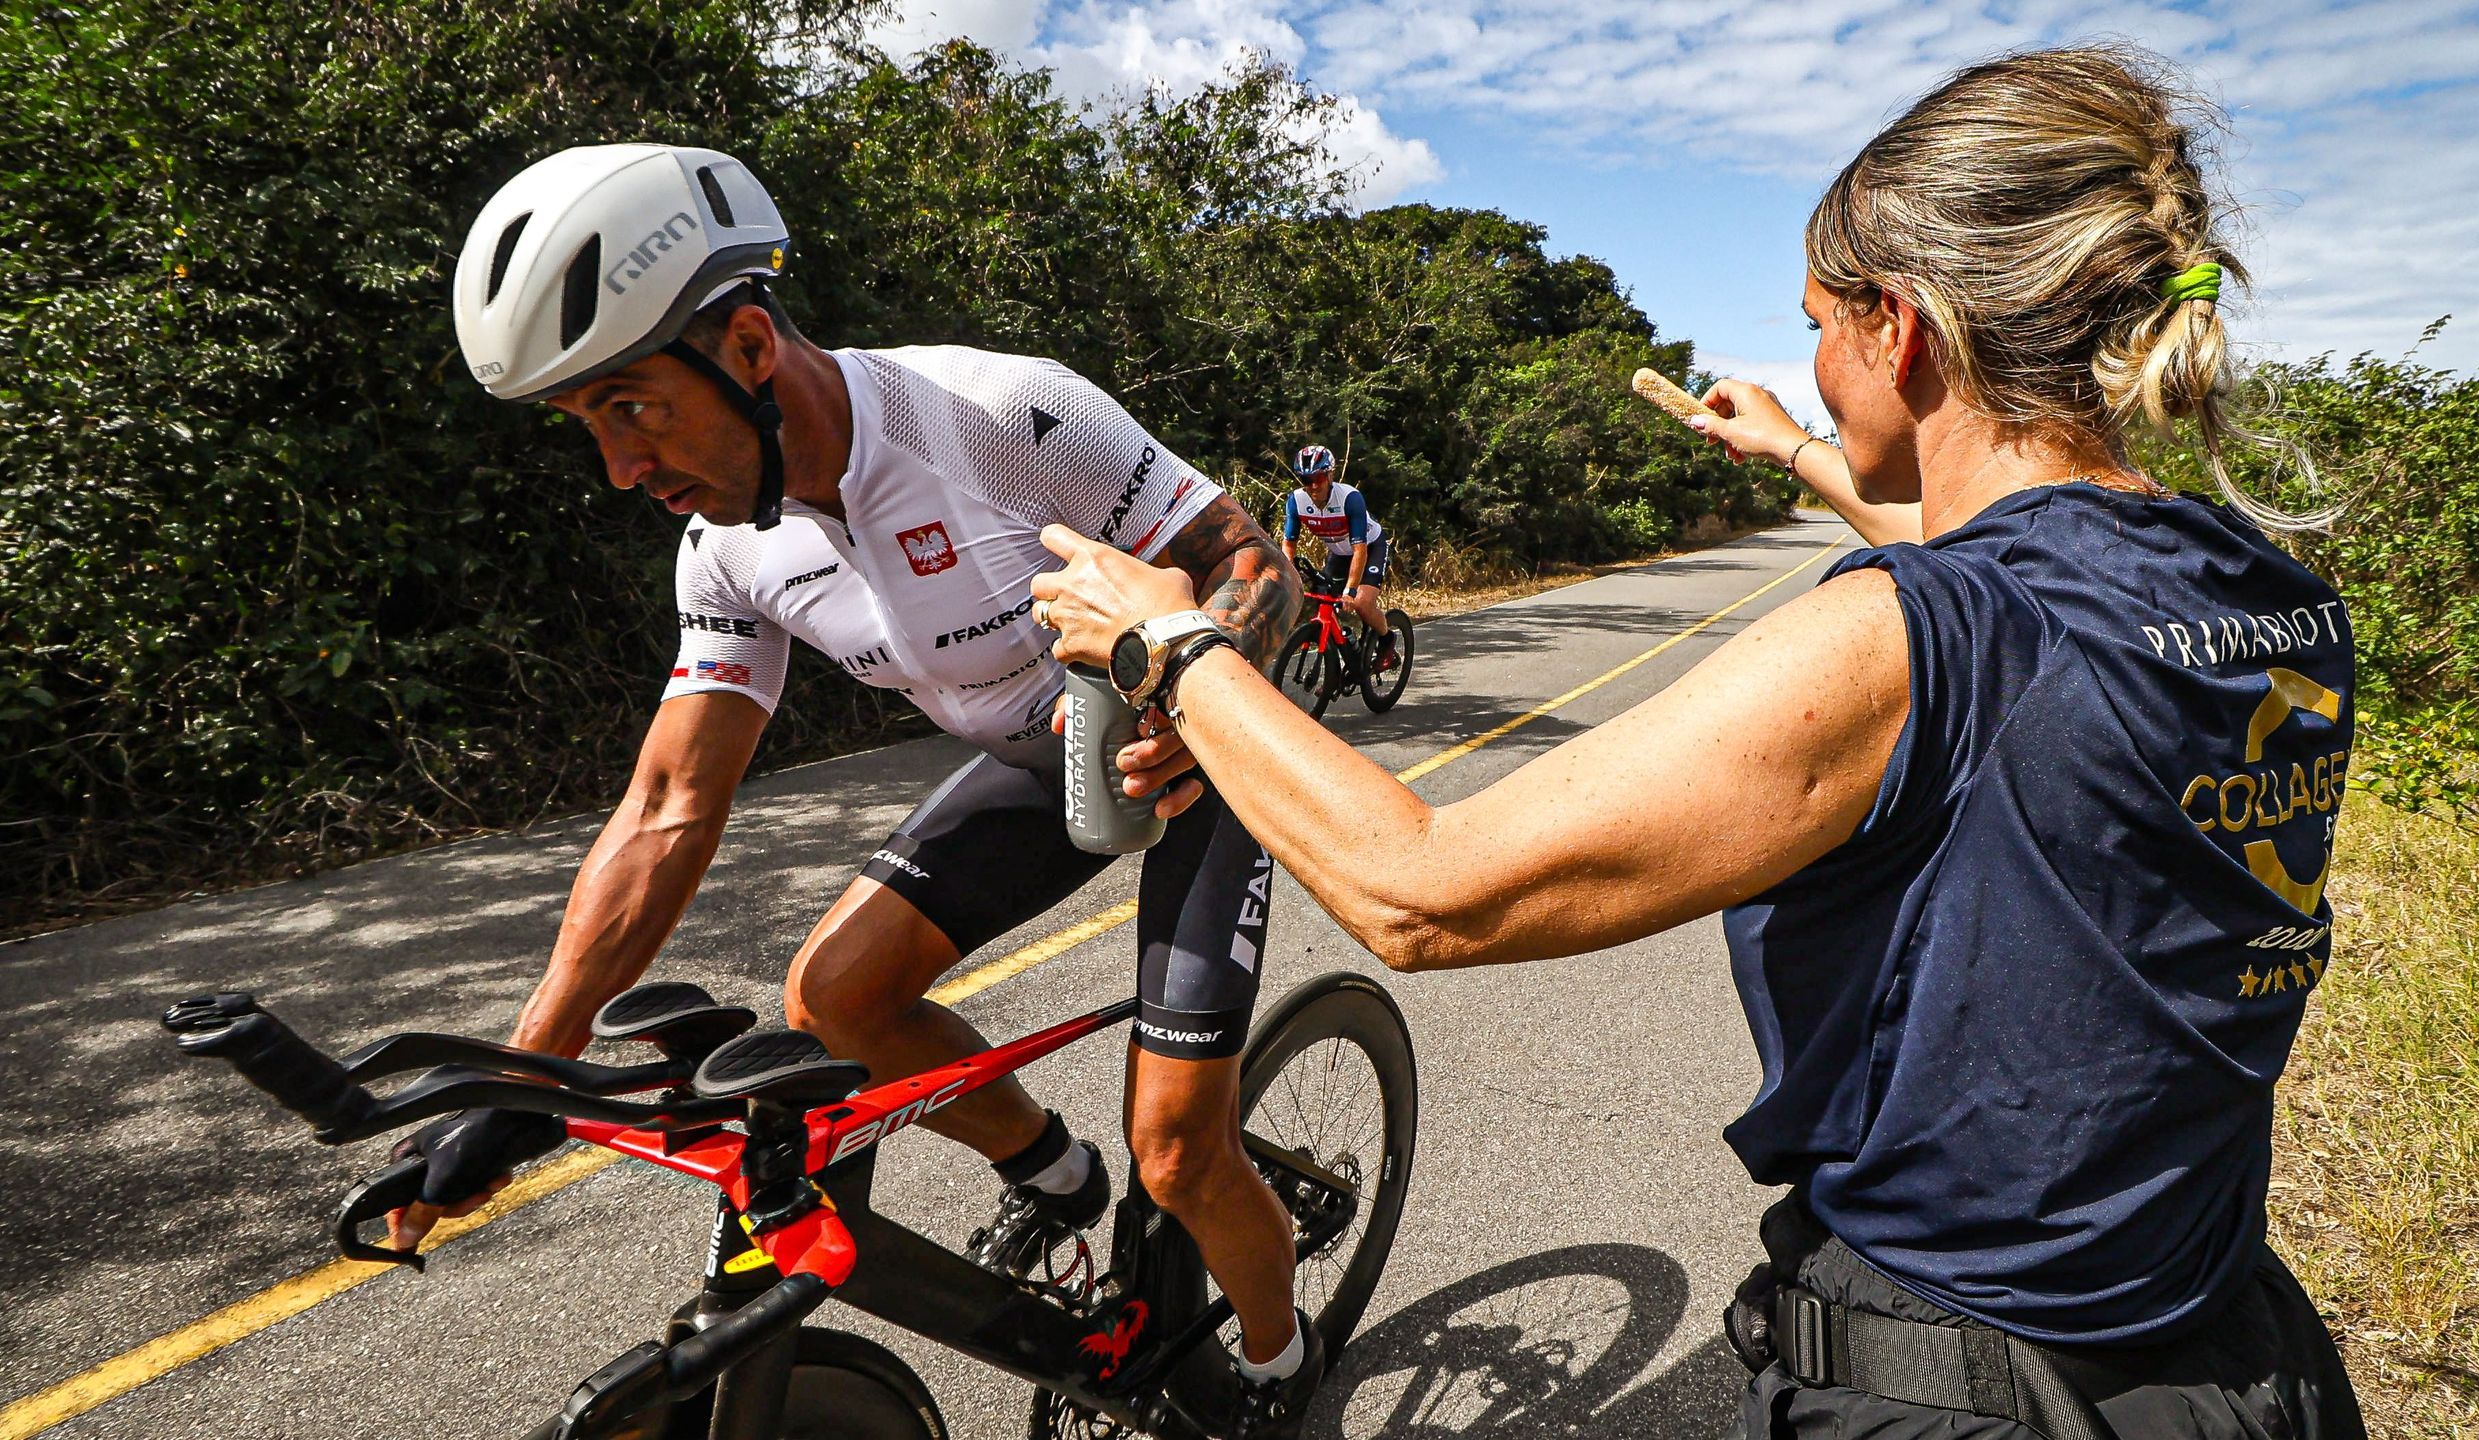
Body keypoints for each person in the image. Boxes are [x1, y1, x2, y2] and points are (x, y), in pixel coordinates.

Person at [1034, 46, 2363, 1439]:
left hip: (1964, 1384)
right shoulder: (2266, 591)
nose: (1813, 365)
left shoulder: (1900, 642)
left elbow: (1423, 890)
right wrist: (1795, 452)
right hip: (2234, 1354)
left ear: (1899, 328)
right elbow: (2012, 563)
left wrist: (1170, 647)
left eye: (1817, 328)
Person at [399, 143, 1325, 1433]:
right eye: (584, 427)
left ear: (745, 348)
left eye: (629, 406)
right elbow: (669, 805)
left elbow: (1252, 557)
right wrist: (528, 1076)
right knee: (835, 999)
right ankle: (1053, 1176)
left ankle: (1279, 1375)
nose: (617, 466)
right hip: (1035, 752)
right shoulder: (724, 548)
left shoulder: (1001, 416)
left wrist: (1205, 674)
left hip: (1195, 747)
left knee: (1178, 1146)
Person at [1280, 445, 1397, 671]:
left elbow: (1360, 550)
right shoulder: (1296, 501)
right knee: (1325, 604)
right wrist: (1287, 576)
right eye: (1307, 479)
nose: (1314, 486)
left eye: (1319, 477)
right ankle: (1341, 663)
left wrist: (1350, 591)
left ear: (1330, 475)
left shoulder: (1350, 498)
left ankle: (1386, 640)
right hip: (1339, 554)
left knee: (1362, 602)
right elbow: (1289, 544)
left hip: (1371, 547)